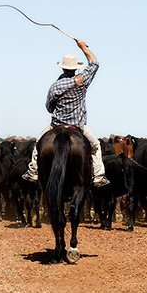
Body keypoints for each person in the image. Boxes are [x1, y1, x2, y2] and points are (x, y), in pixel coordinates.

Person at [22, 38, 109, 187]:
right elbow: (94, 63)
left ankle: (33, 172)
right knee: (95, 145)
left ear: (62, 68)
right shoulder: (82, 80)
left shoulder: (55, 86)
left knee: (38, 143)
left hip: (56, 126)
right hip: (78, 126)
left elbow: (49, 108)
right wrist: (82, 47)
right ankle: (98, 176)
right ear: (75, 68)